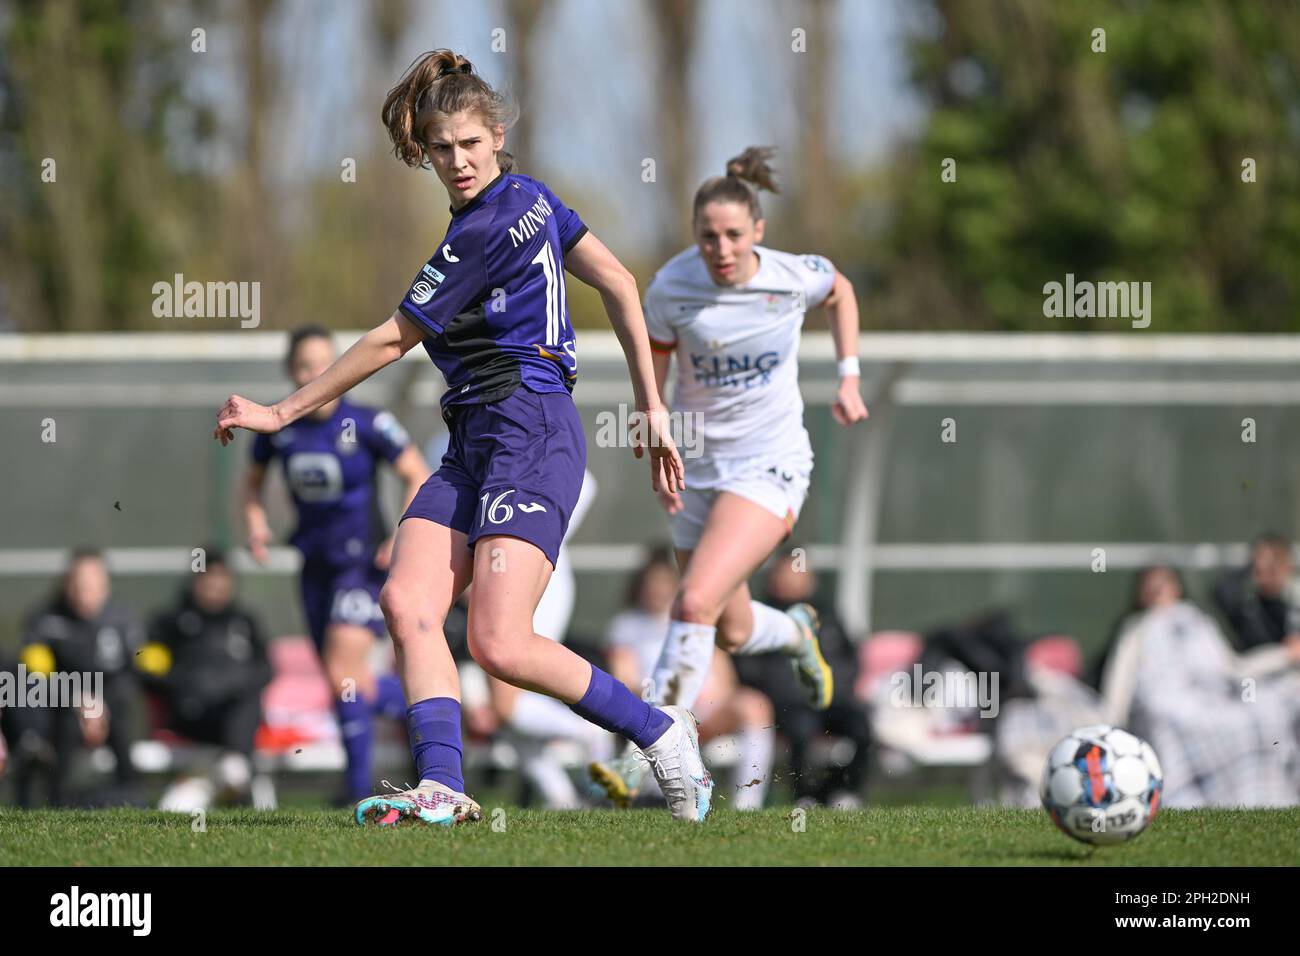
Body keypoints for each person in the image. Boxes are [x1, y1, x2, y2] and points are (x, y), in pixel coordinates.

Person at [214, 49, 710, 825]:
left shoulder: (488, 226)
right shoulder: (534, 201)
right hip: (474, 436)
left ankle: (661, 732)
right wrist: (650, 406)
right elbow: (618, 282)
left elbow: (388, 339)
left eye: (470, 144)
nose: (456, 161)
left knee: (501, 645)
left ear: (498, 133)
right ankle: (443, 784)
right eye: (441, 149)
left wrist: (281, 412)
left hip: (531, 427)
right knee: (407, 601)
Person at [590, 146, 868, 803]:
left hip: (770, 464)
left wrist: (850, 375)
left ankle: (649, 754)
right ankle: (798, 631)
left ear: (759, 233)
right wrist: (654, 427)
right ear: (695, 236)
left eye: (734, 235)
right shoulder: (672, 288)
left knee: (691, 603)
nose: (721, 248)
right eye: (708, 236)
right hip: (698, 468)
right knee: (733, 628)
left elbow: (842, 292)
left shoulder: (790, 276)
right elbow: (652, 364)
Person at [240, 324, 429, 805]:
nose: (315, 374)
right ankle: (426, 701)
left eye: (325, 364)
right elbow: (252, 482)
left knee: (344, 668)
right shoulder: (280, 429)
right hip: (314, 565)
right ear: (291, 372)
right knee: (342, 680)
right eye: (305, 366)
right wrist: (256, 522)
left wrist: (401, 533)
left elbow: (416, 474)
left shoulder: (367, 422)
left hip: (361, 565)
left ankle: (356, 789)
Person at [605, 547, 775, 810]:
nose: (658, 591)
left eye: (665, 584)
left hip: (706, 717)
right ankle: (652, 794)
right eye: (653, 584)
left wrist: (710, 699)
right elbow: (624, 681)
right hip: (659, 716)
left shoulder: (695, 620)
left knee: (754, 705)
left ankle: (747, 803)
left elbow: (726, 680)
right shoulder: (626, 626)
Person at [139, 550, 273, 811]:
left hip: (235, 716)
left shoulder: (243, 621)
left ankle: (234, 768)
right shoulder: (172, 623)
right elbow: (147, 668)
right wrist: (190, 682)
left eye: (221, 579)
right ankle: (235, 774)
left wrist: (229, 683)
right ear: (195, 581)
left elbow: (265, 670)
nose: (215, 586)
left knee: (245, 698)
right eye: (208, 579)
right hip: (191, 714)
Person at [738, 548, 870, 809]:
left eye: (796, 573)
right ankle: (804, 796)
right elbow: (747, 666)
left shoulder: (828, 615)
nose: (789, 580)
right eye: (783, 574)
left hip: (834, 700)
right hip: (788, 704)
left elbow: (850, 658)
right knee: (801, 731)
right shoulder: (761, 617)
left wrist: (834, 689)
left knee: (862, 727)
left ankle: (841, 792)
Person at [16, 549, 143, 807]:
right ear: (67, 584)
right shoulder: (46, 621)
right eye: (79, 584)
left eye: (92, 585)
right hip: (61, 707)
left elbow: (134, 674)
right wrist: (76, 699)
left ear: (105, 586)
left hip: (112, 708)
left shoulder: (124, 622)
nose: (85, 593)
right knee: (58, 724)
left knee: (123, 723)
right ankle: (54, 802)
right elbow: (32, 677)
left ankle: (132, 800)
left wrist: (100, 704)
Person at [1213, 533, 1300, 653]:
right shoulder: (1247, 604)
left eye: (1271, 569)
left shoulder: (1294, 597)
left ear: (1287, 566)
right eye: (1259, 570)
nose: (1264, 578)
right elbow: (1221, 591)